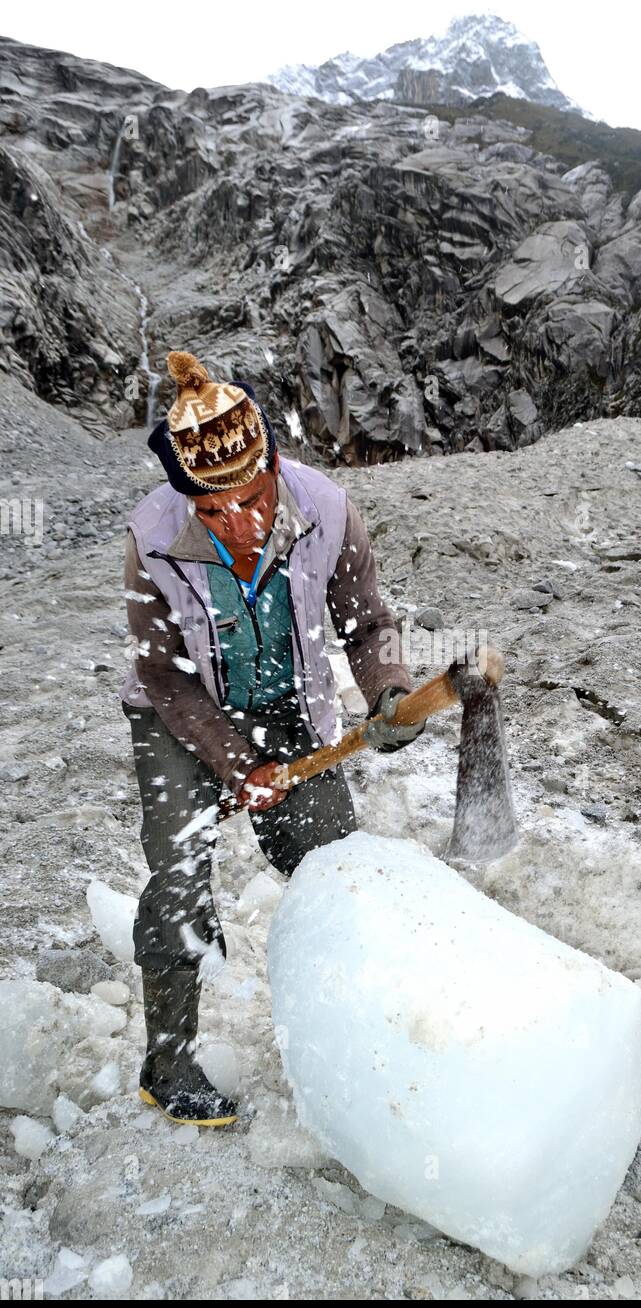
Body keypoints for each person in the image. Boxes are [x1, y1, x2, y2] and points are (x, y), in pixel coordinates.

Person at [120, 351, 425, 1126]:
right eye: (214, 511)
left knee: (335, 869)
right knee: (180, 879)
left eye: (253, 501)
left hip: (288, 707)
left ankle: (351, 1043)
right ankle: (169, 1063)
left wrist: (388, 691)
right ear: (187, 496)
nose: (241, 523)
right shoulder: (150, 536)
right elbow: (161, 674)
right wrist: (237, 764)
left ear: (275, 466)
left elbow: (367, 622)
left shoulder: (328, 510)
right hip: (180, 715)